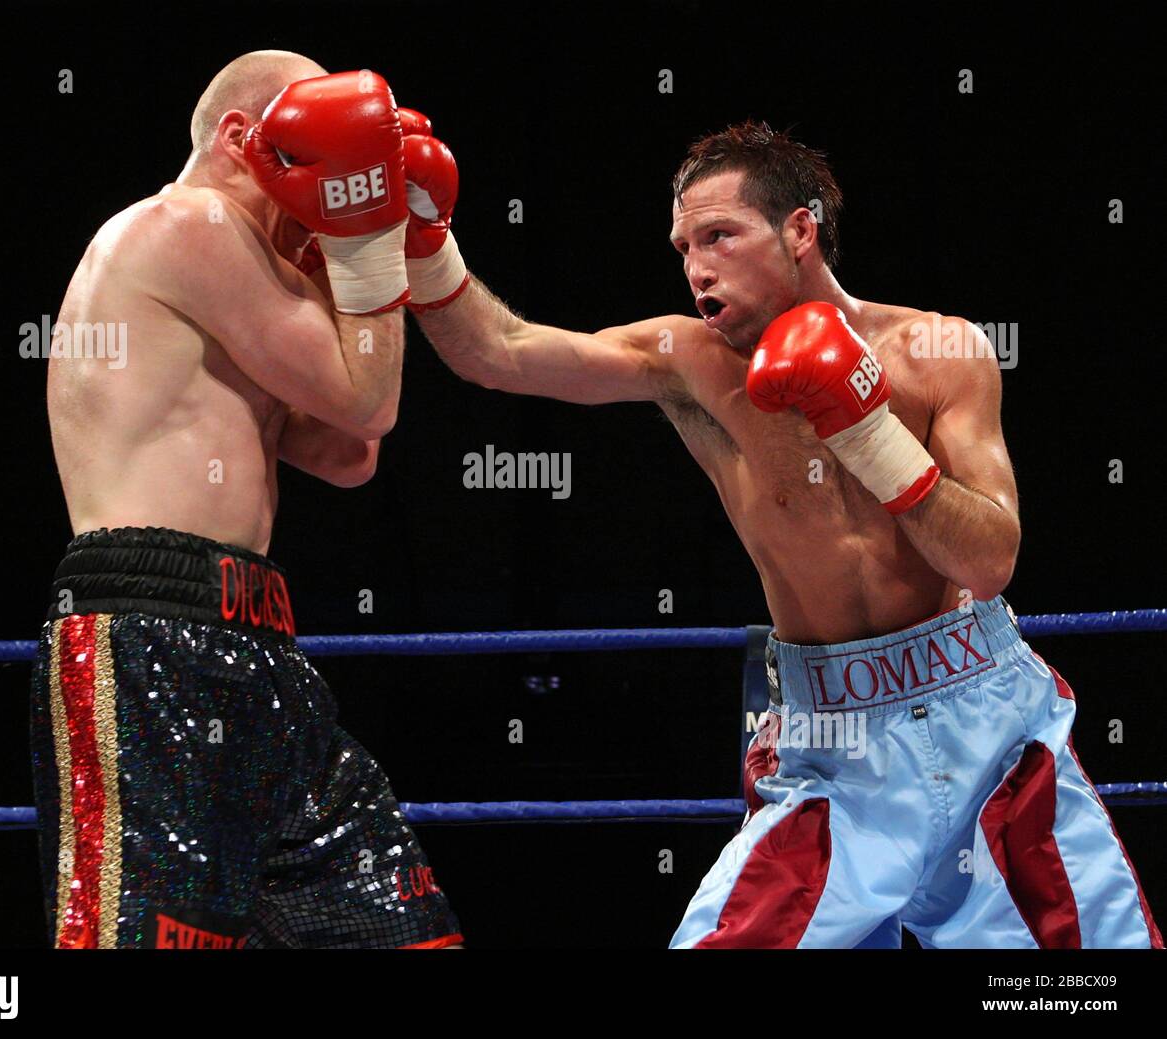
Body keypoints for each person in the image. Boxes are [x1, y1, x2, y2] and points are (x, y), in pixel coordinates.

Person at [389, 116, 1160, 948]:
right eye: (684, 246)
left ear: (802, 230)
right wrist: (420, 236)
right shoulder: (689, 362)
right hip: (831, 752)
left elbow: (990, 558)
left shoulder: (939, 350)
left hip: (993, 731)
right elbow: (498, 351)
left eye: (720, 235)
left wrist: (867, 428)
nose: (696, 267)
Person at [31, 51, 461, 949]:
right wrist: (367, 235)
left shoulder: (247, 276)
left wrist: (334, 251)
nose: (333, 184)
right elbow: (369, 398)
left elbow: (352, 453)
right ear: (240, 136)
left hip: (260, 641)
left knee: (402, 933)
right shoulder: (184, 225)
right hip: (148, 631)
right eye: (320, 155)